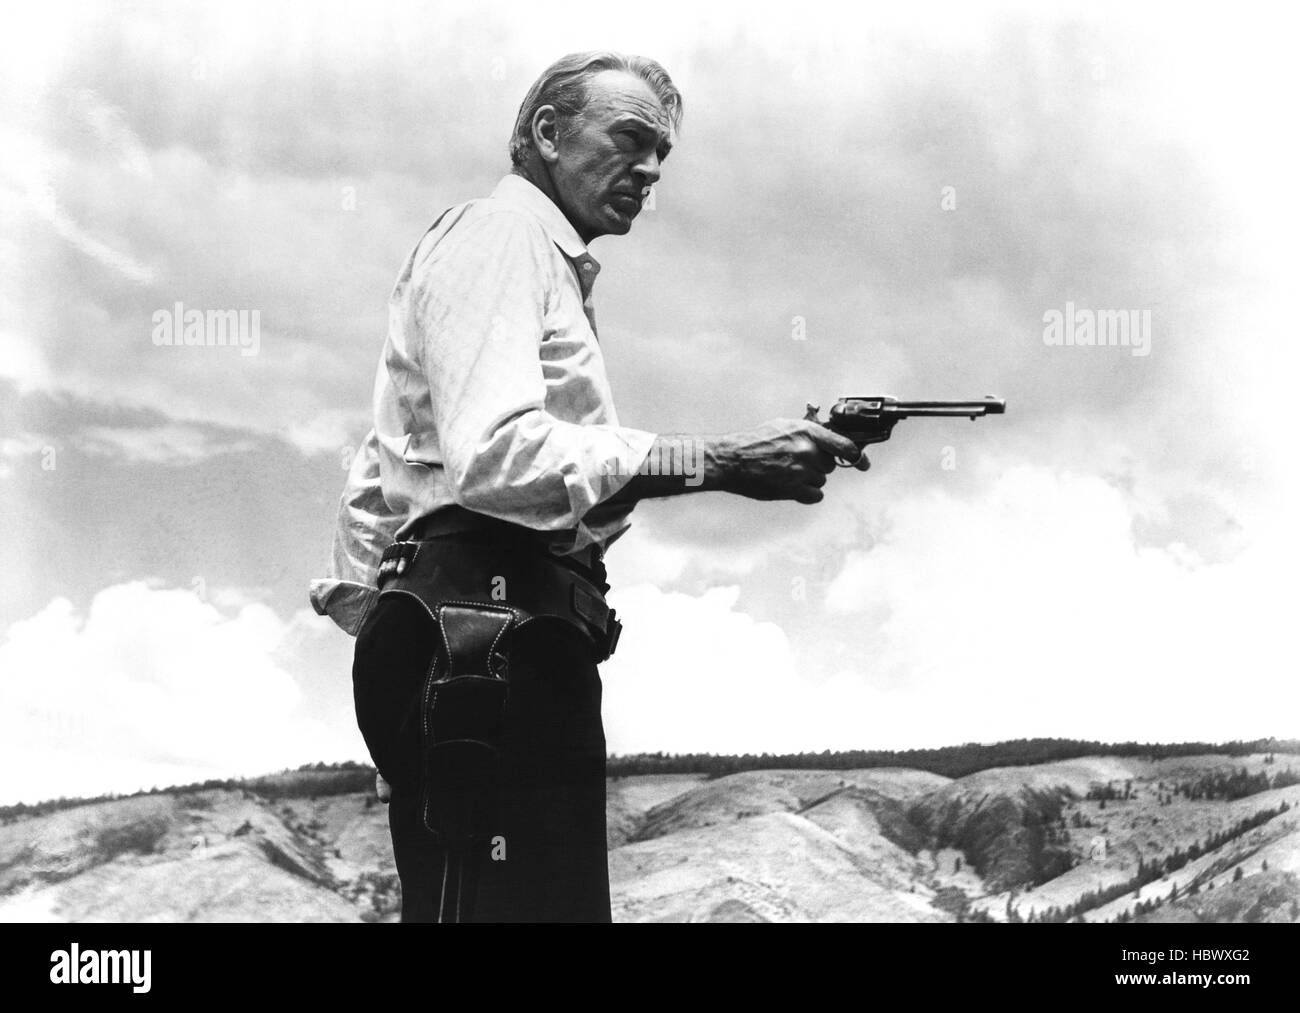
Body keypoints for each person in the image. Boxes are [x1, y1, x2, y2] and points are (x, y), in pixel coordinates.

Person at [310, 51, 867, 923]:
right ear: (546, 133)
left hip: (486, 638)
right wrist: (720, 460)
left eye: (662, 156)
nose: (649, 170)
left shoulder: (527, 259)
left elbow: (382, 477)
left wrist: (387, 633)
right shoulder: (500, 238)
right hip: (490, 639)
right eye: (631, 140)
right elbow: (494, 458)